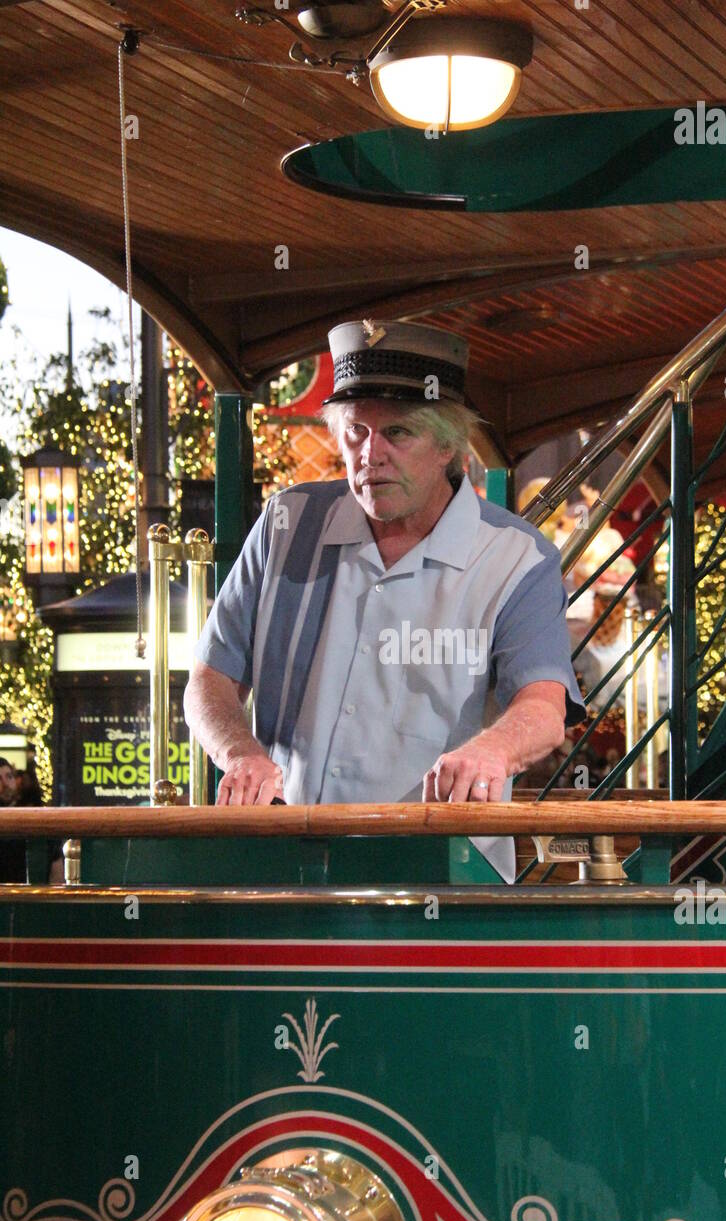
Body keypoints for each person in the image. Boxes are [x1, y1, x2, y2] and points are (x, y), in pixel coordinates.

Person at [185, 319, 585, 878]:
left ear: (449, 444)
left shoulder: (518, 558)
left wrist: (492, 751)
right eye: (355, 432)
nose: (370, 454)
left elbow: (543, 710)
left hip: (443, 880)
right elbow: (209, 680)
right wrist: (240, 753)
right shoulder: (285, 525)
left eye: (397, 433)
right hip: (285, 871)